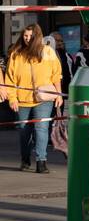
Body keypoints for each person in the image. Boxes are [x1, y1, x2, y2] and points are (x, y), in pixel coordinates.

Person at [1, 23, 64, 174]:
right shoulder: (16, 54)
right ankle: (25, 158)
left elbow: (56, 74)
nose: (28, 39)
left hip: (44, 98)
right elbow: (10, 78)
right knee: (24, 131)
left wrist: (59, 94)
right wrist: (12, 98)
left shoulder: (47, 51)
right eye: (25, 36)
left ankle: (41, 161)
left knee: (41, 128)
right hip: (22, 99)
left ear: (38, 37)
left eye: (31, 36)